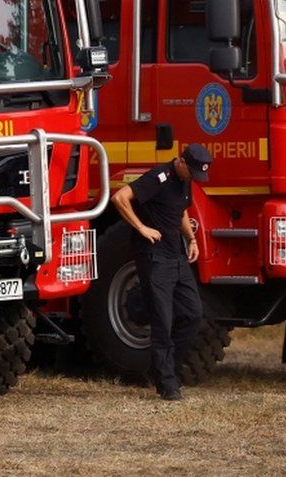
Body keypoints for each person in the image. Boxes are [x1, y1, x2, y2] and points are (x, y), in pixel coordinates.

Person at [110, 144, 213, 401]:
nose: (194, 178)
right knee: (162, 321)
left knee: (192, 313)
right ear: (181, 161)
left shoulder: (185, 180)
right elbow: (120, 198)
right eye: (192, 172)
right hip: (155, 259)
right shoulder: (158, 177)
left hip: (177, 256)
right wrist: (142, 228)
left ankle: (164, 369)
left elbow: (181, 210)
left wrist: (191, 239)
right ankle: (167, 384)